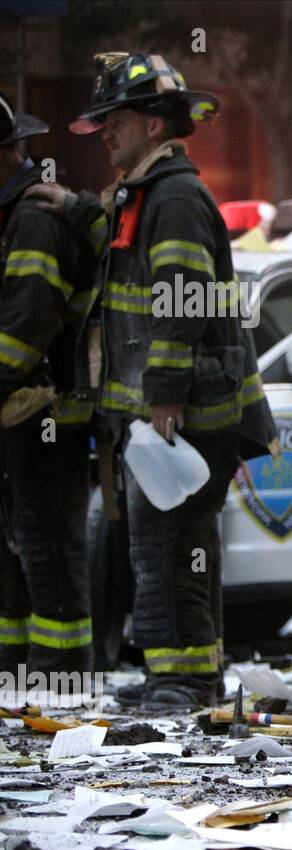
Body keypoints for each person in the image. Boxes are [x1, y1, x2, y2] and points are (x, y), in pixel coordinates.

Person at [40, 53, 277, 708]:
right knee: (160, 551)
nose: (105, 134)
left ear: (148, 124)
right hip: (165, 421)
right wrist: (76, 208)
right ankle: (176, 677)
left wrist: (165, 396)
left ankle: (186, 682)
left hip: (187, 418)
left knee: (172, 553)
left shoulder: (173, 198)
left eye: (113, 121)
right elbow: (125, 251)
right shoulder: (150, 196)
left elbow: (181, 299)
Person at [0, 93, 100, 680]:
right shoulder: (13, 215)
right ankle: (16, 669)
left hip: (47, 410)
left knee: (47, 546)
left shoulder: (34, 219)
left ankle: (62, 675)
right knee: (19, 545)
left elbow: (27, 324)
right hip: (20, 410)